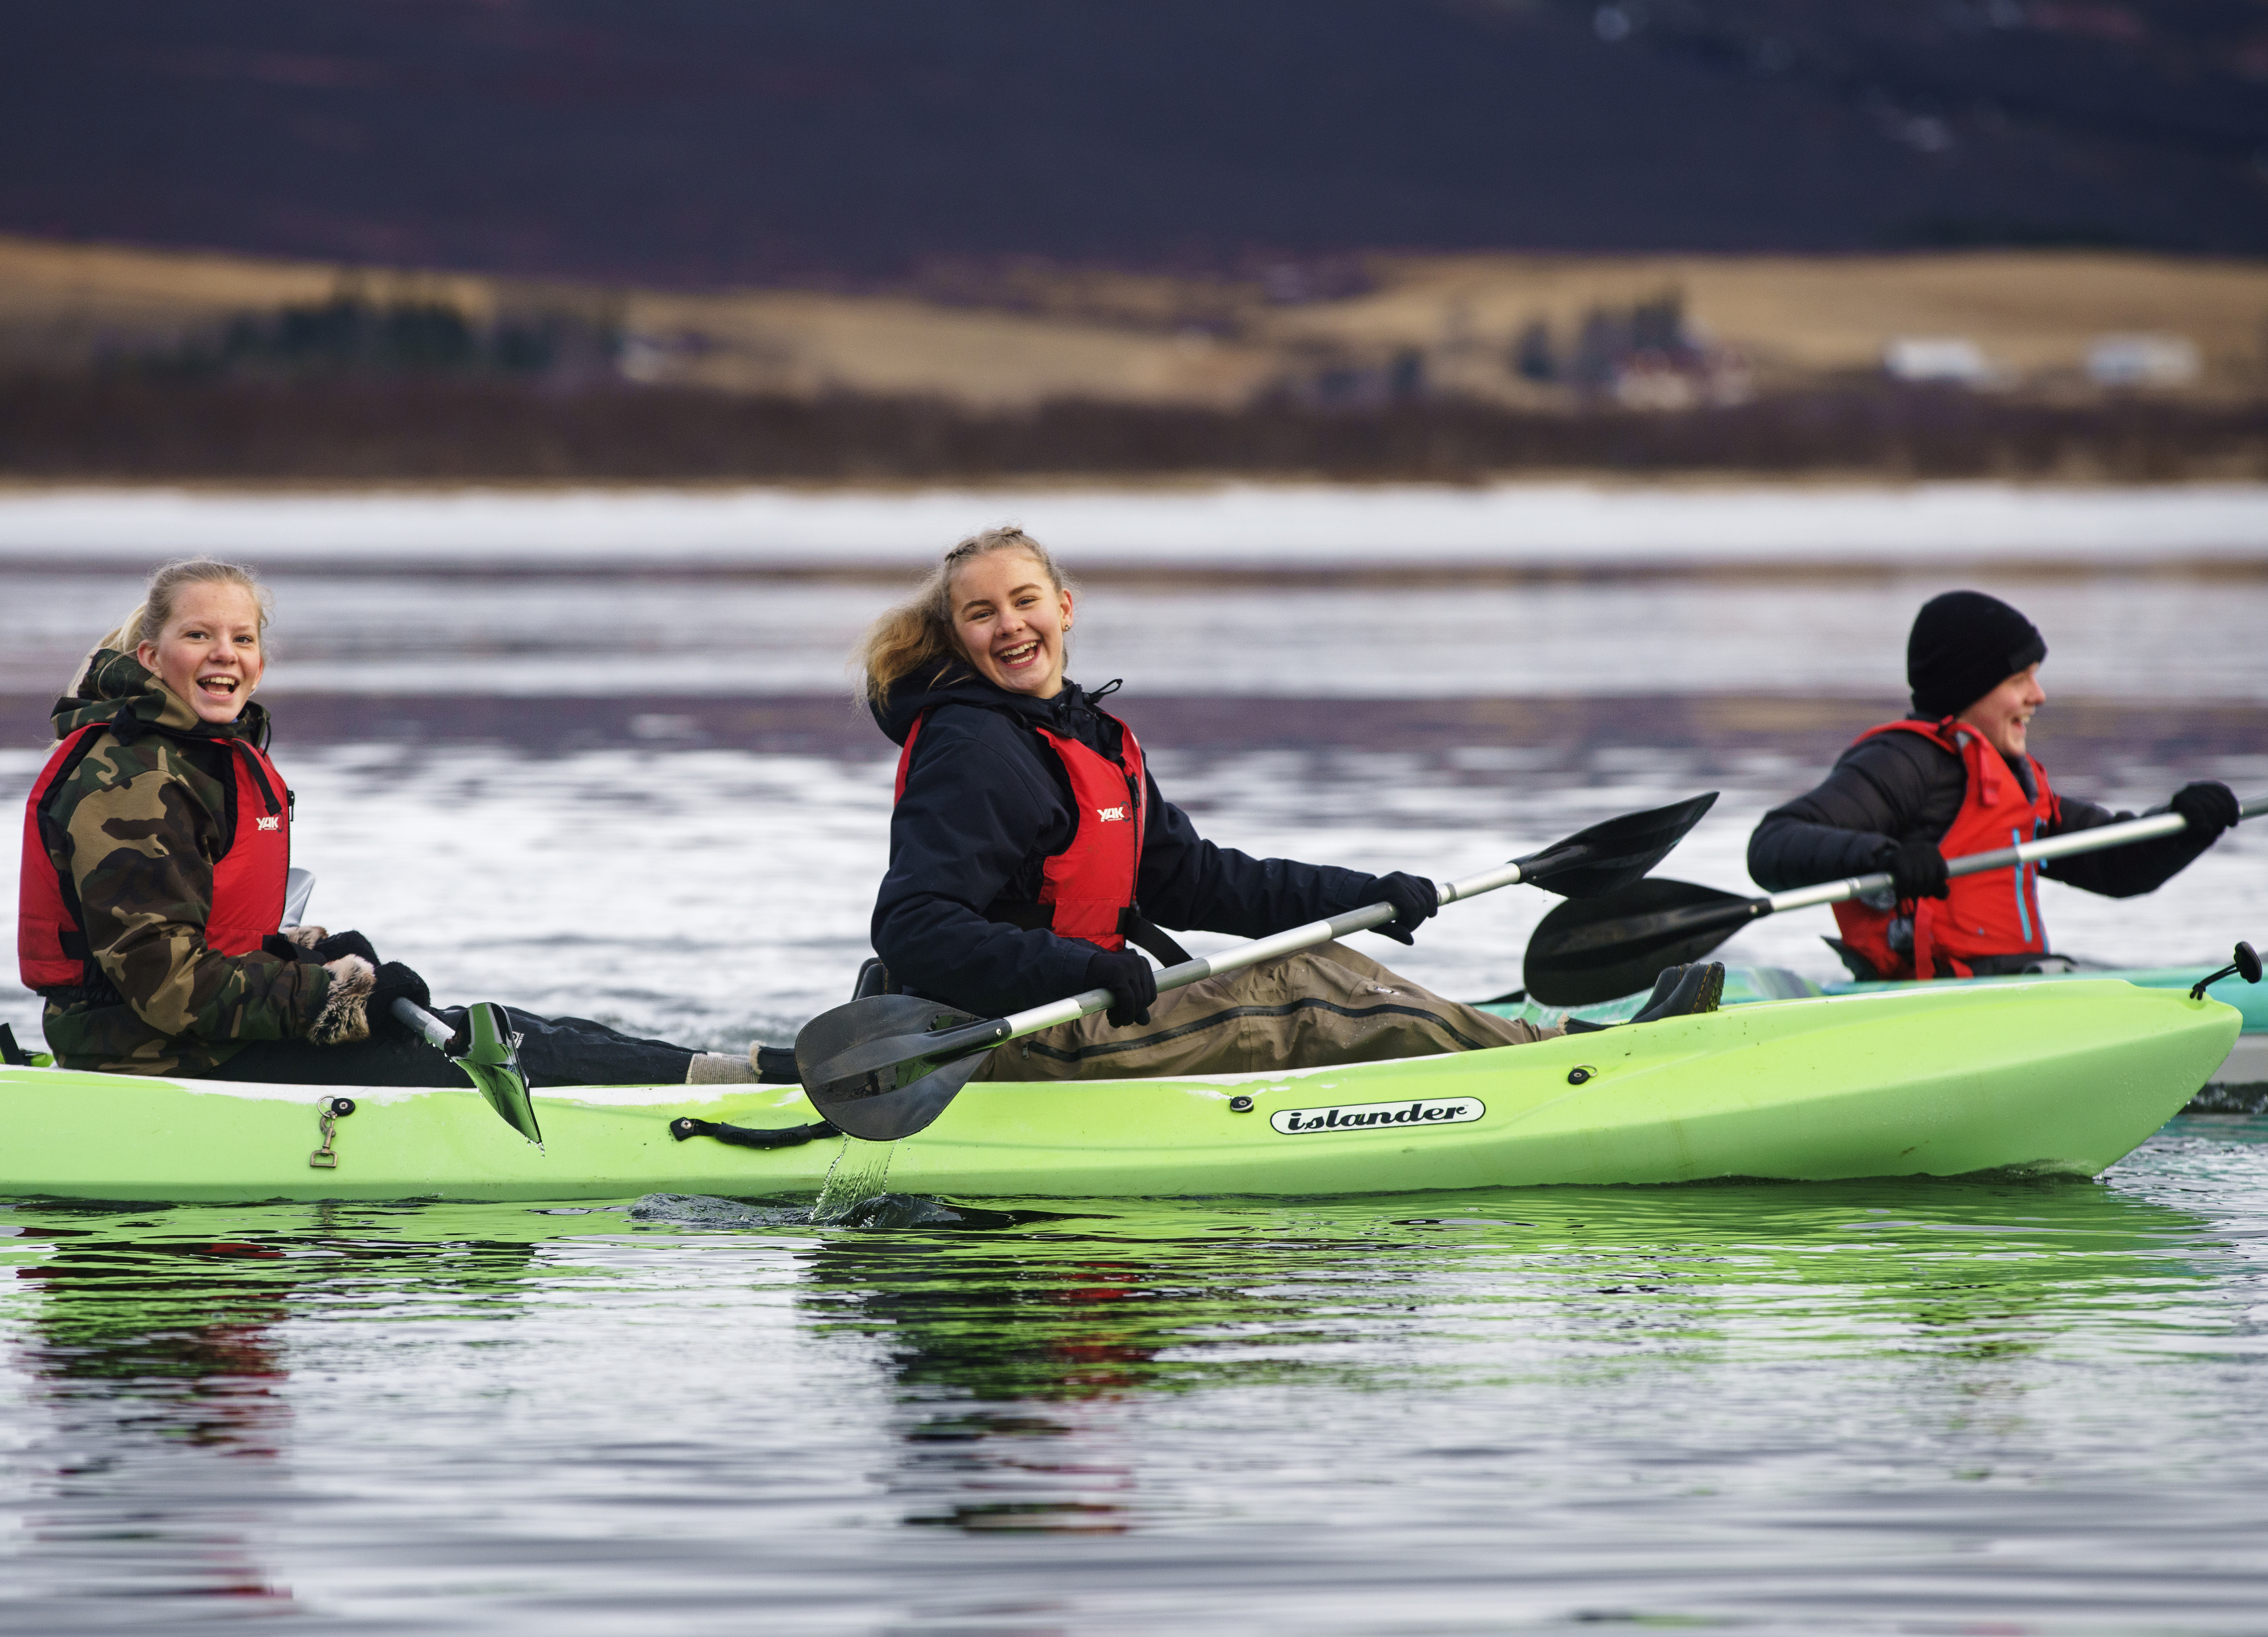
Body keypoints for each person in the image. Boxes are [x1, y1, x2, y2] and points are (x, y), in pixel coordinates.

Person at [854, 528, 1722, 1082]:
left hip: (1080, 1009)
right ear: (959, 637)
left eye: (1025, 600)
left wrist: (1364, 895)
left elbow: (1196, 881)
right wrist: (1077, 969)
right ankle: (1577, 1064)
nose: (1009, 625)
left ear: (1065, 608)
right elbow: (913, 927)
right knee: (1306, 991)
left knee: (1326, 957)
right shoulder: (974, 747)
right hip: (1008, 1038)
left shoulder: (1092, 737)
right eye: (982, 614)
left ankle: (1554, 1040)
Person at [19, 558, 782, 1087]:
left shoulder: (191, 758)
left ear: (260, 658)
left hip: (204, 1040)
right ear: (151, 656)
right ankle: (751, 1098)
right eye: (198, 636)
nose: (225, 655)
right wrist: (335, 1000)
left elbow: (203, 936)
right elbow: (167, 987)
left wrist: (305, 955)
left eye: (242, 639)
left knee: (513, 1027)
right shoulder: (135, 779)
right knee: (519, 1053)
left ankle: (747, 1074)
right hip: (158, 1060)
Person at [1747, 588, 2242, 981]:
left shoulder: (2015, 783)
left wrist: (2187, 825)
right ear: (1970, 687)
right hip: (1932, 1002)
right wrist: (1884, 858)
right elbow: (1772, 844)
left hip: (2010, 986)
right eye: (2019, 679)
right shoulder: (1903, 763)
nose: (2038, 695)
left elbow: (2117, 866)